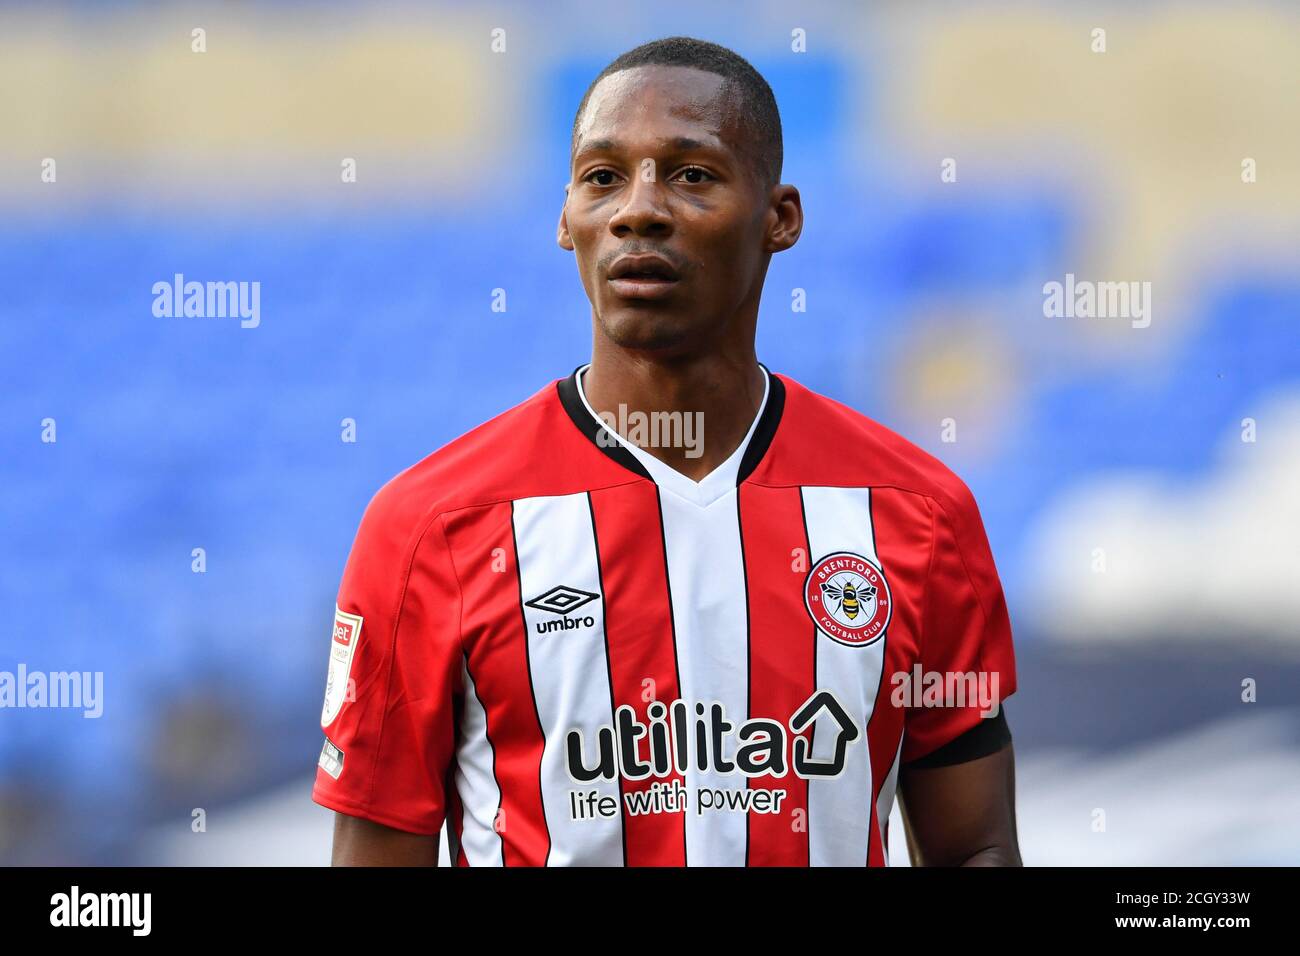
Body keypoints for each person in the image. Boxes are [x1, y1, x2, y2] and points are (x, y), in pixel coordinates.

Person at [313, 35, 1021, 866]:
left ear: (780, 218)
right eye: (602, 176)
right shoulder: (430, 528)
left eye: (691, 174)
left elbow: (975, 847)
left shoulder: (919, 515)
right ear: (566, 220)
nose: (637, 209)